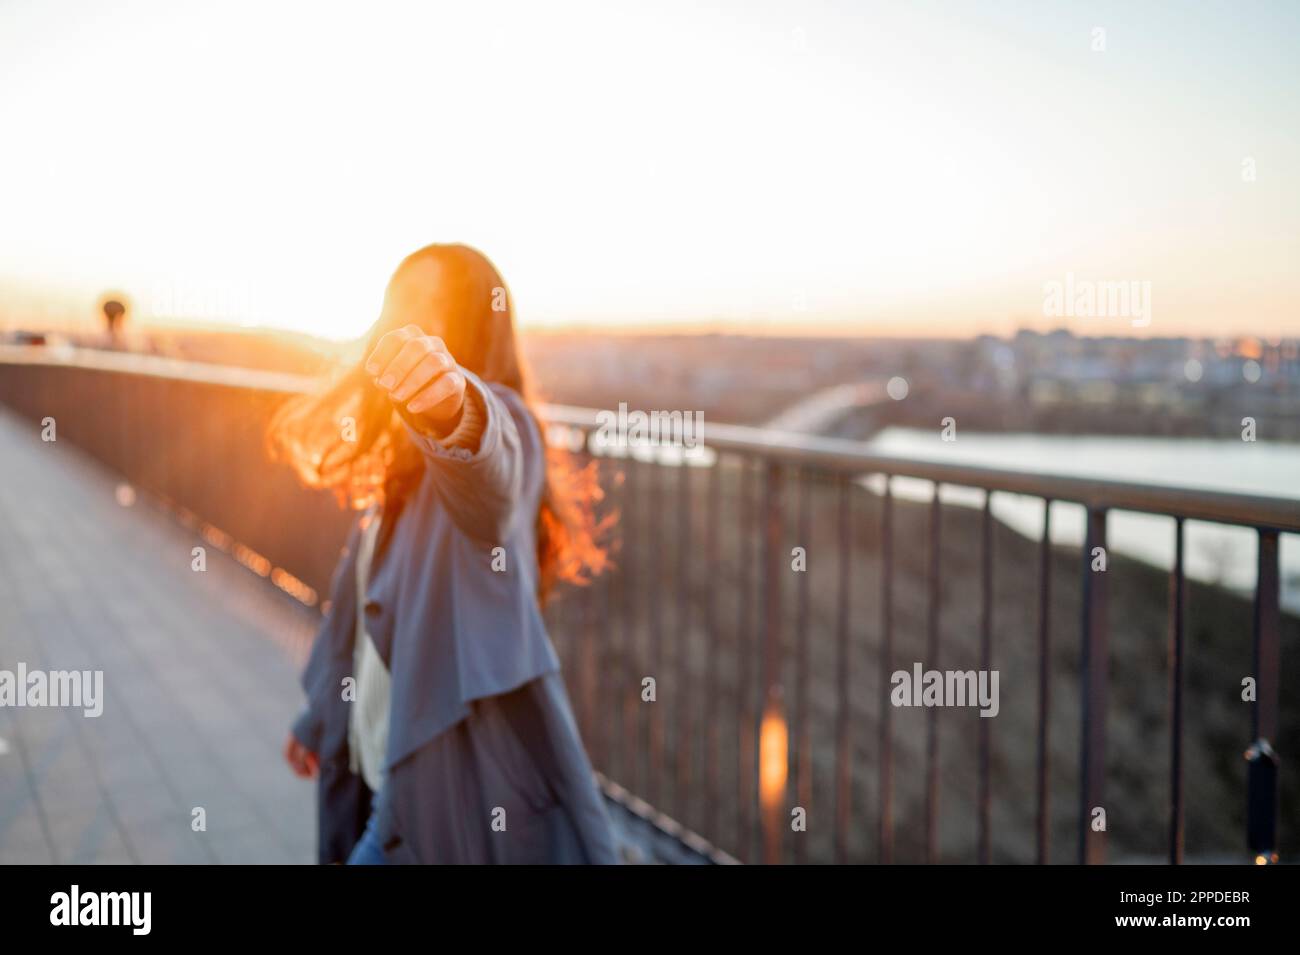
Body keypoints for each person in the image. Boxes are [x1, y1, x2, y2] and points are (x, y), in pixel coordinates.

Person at [270, 243, 618, 864]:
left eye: (435, 304)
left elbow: (492, 471)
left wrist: (456, 408)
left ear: (476, 323)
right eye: (402, 303)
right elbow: (353, 618)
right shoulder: (397, 467)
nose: (414, 321)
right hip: (368, 763)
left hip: (421, 789)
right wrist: (317, 718)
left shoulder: (503, 422)